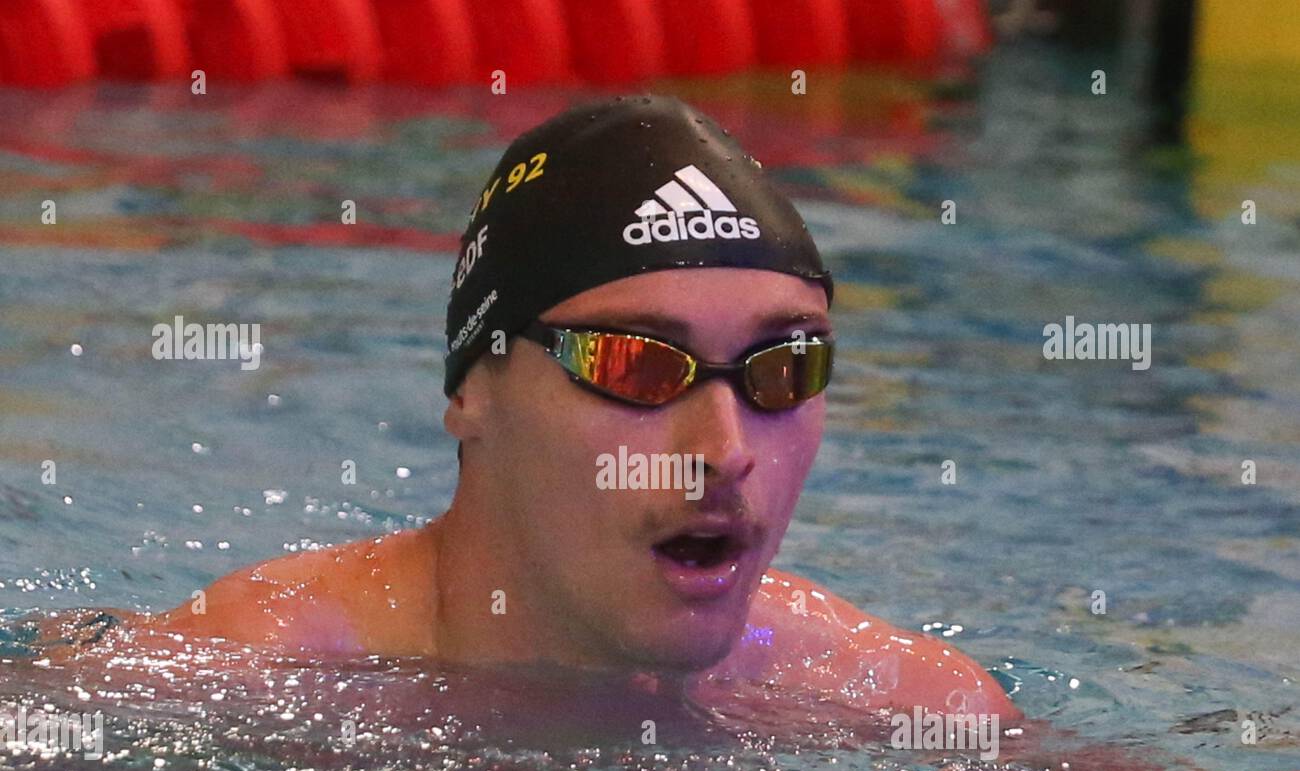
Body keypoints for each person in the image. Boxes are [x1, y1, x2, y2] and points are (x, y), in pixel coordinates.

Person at [51, 95, 1016, 718]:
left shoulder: (900, 704)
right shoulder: (239, 684)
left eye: (780, 368)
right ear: (473, 389)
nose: (724, 450)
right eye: (639, 366)